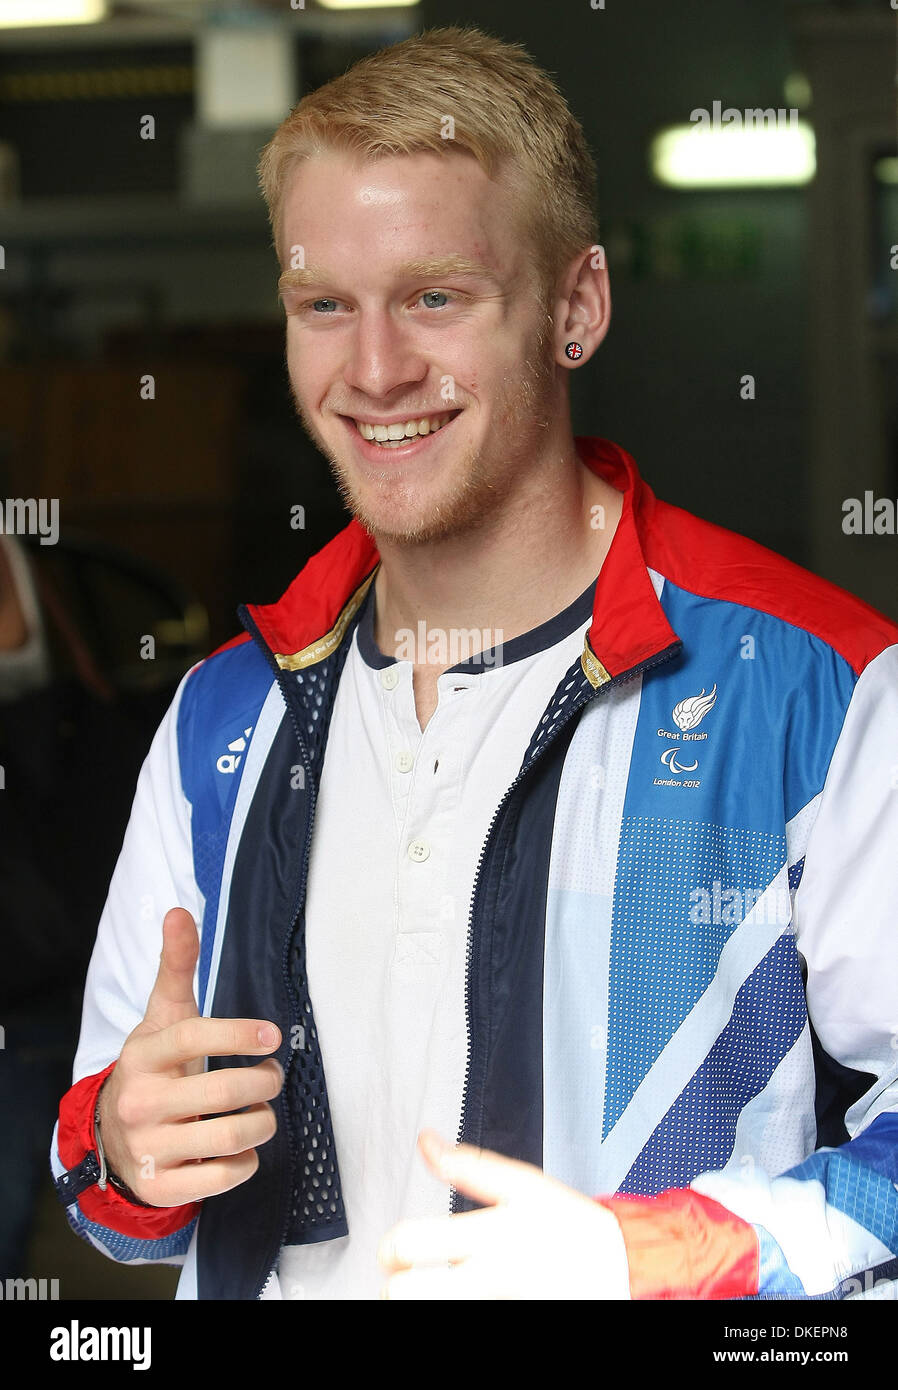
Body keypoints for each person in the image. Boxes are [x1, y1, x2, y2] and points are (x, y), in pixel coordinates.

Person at [52, 25, 898, 1301]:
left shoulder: (815, 687)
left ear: (576, 307)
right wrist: (122, 1143)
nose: (376, 369)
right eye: (323, 305)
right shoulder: (226, 714)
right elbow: (115, 1201)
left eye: (436, 296)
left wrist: (653, 1255)